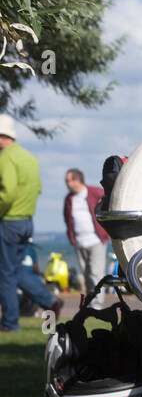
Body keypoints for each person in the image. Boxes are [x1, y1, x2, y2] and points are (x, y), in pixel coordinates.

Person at [0, 114, 60, 331]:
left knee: (5, 274)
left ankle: (9, 323)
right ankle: (48, 300)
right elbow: (38, 188)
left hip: (8, 221)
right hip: (27, 221)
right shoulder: (29, 157)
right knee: (16, 270)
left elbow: (7, 192)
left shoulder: (5, 158)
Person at [63, 168, 109, 307]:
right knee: (87, 274)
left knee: (96, 272)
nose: (67, 183)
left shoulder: (94, 192)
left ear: (77, 180)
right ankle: (91, 301)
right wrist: (71, 238)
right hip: (79, 242)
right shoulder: (69, 198)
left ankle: (98, 304)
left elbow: (108, 201)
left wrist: (106, 228)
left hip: (96, 240)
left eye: (69, 180)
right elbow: (67, 218)